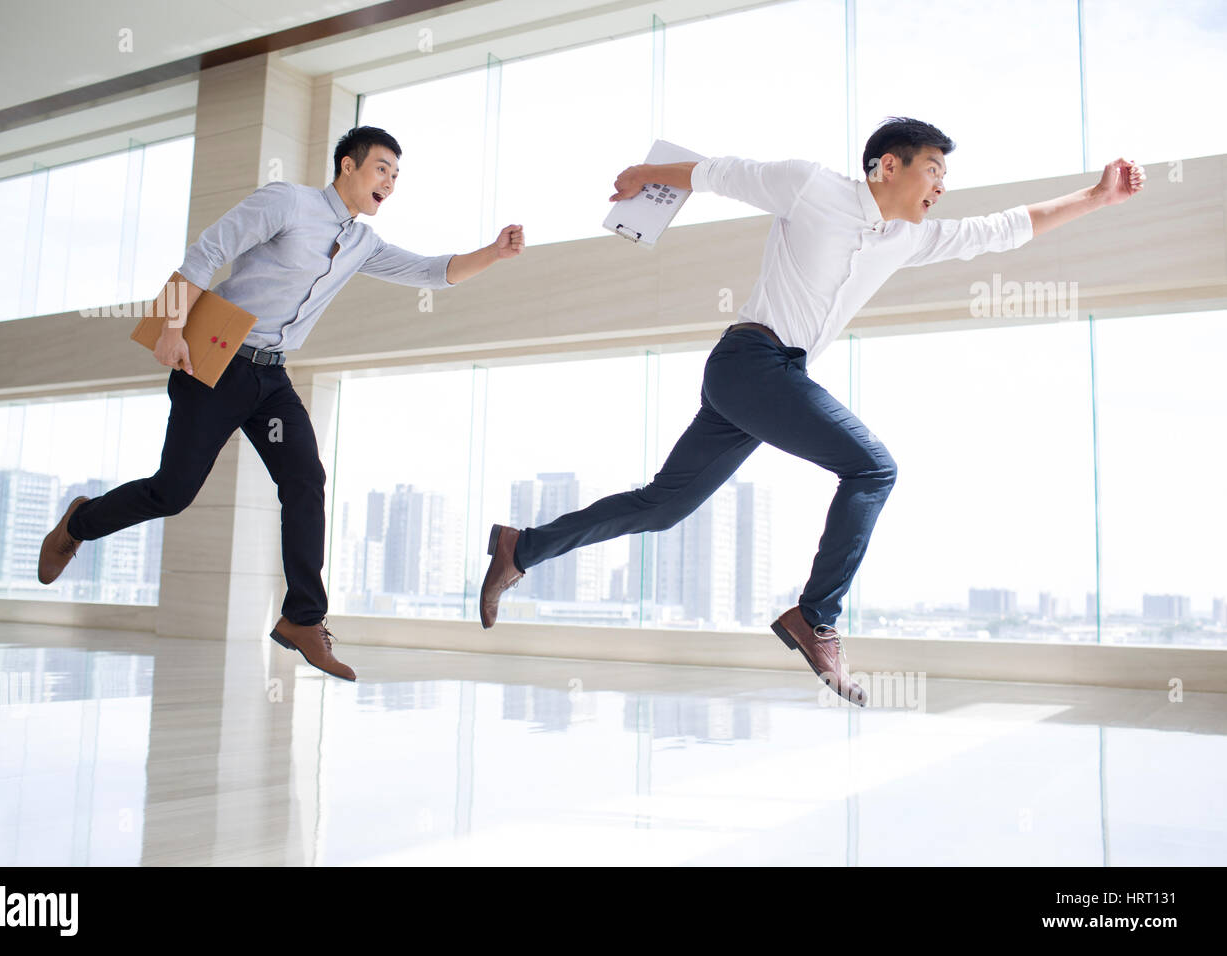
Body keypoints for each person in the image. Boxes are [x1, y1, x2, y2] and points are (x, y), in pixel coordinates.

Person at [479, 116, 1144, 705]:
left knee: (662, 506)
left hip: (766, 379)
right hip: (752, 361)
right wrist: (646, 174)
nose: (941, 187)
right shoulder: (810, 186)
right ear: (889, 165)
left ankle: (522, 546)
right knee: (873, 468)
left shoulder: (905, 237)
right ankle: (815, 617)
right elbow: (716, 173)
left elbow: (1003, 230)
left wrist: (1097, 196)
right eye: (934, 171)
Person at [38, 126, 524, 681]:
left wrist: (494, 252)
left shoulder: (362, 243)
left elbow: (429, 271)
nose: (389, 182)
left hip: (270, 377)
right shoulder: (287, 202)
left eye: (396, 174)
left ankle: (302, 619)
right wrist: (171, 328)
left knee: (305, 480)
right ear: (347, 165)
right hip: (215, 363)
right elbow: (207, 250)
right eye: (381, 168)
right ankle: (79, 523)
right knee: (172, 492)